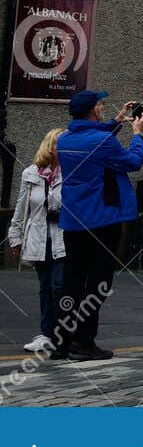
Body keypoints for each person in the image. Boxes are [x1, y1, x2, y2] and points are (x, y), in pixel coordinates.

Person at [56, 90, 143, 361]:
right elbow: (134, 162)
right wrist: (138, 134)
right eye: (101, 105)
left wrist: (117, 120)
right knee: (98, 283)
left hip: (73, 219)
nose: (104, 107)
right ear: (94, 111)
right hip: (102, 219)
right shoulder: (101, 141)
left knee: (72, 281)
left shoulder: (64, 139)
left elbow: (95, 141)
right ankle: (84, 342)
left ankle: (61, 340)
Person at [7, 127, 66, 353]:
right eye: (61, 144)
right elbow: (22, 208)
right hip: (39, 237)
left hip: (63, 237)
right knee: (45, 288)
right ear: (50, 146)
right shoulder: (31, 173)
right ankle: (45, 334)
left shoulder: (71, 173)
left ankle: (61, 335)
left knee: (59, 287)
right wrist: (15, 237)